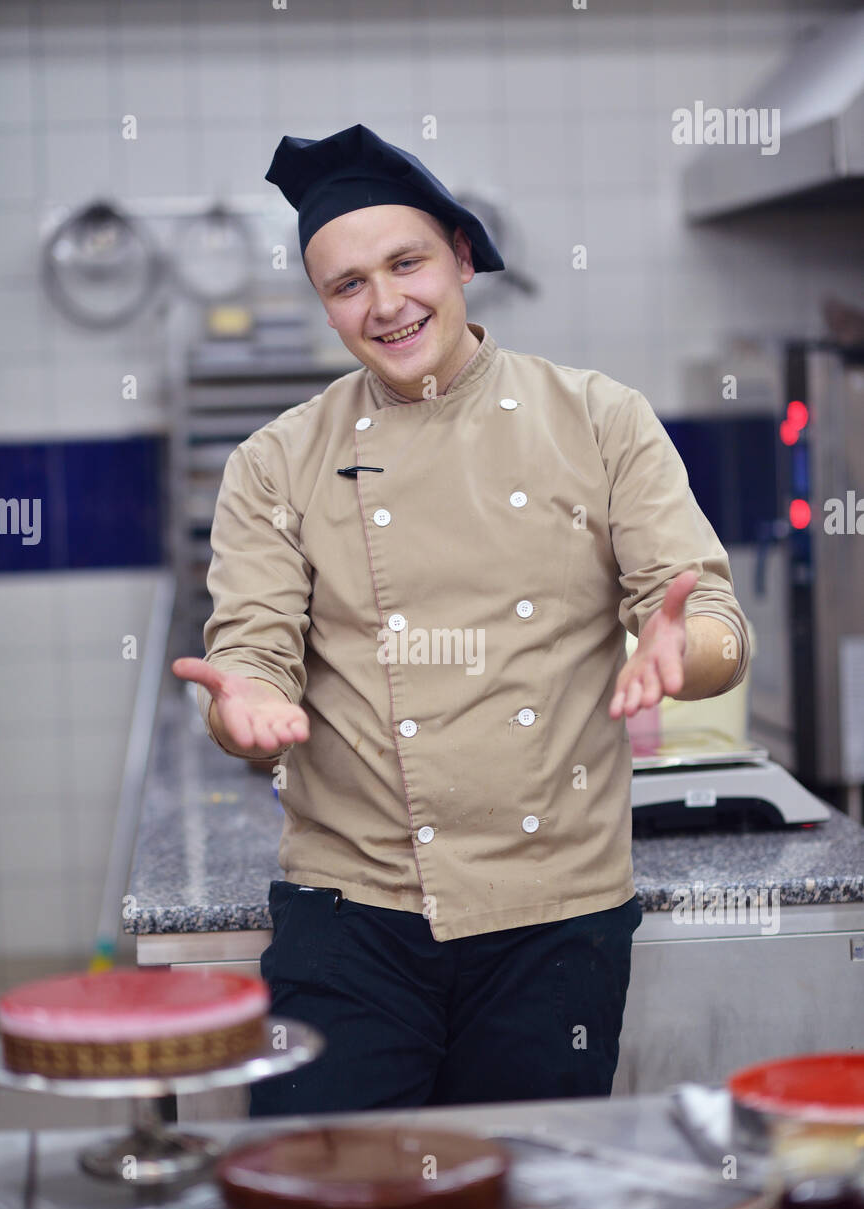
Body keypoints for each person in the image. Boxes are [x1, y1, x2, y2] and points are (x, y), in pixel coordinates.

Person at [172, 123, 750, 1115]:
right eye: (348, 284)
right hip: (348, 918)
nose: (386, 303)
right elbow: (251, 658)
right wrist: (245, 710)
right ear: (326, 306)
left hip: (556, 919)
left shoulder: (600, 419)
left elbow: (715, 629)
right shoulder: (276, 460)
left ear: (463, 258)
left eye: (408, 263)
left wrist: (679, 650)